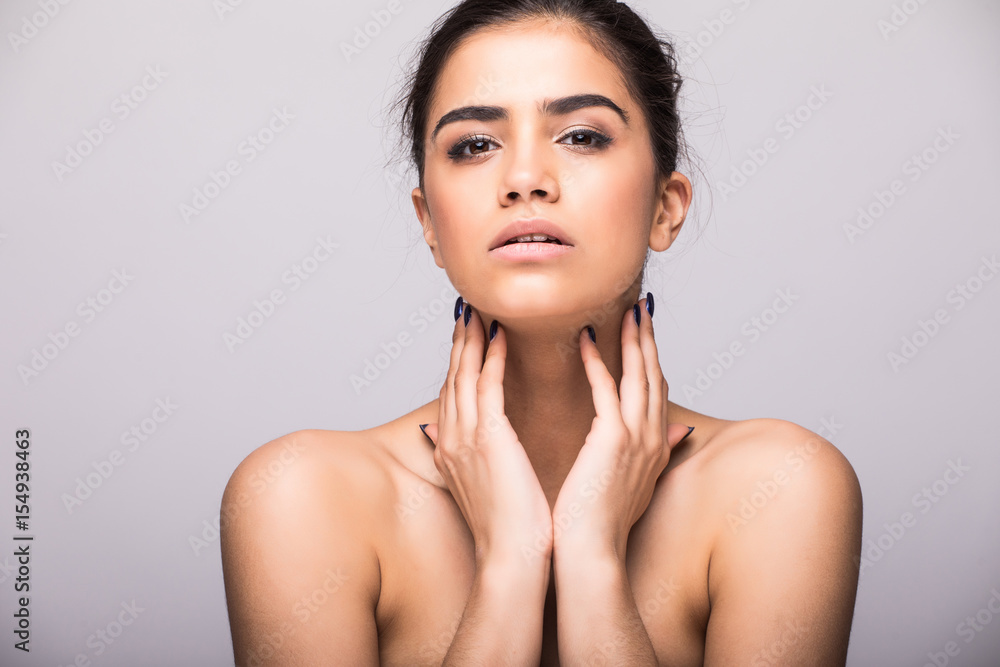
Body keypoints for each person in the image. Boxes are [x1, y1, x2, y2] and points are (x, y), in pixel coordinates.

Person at [220, 1, 863, 664]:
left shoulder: (780, 488)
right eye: (474, 145)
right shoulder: (302, 497)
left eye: (581, 136)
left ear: (665, 208)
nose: (525, 179)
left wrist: (590, 552)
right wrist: (508, 561)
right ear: (429, 224)